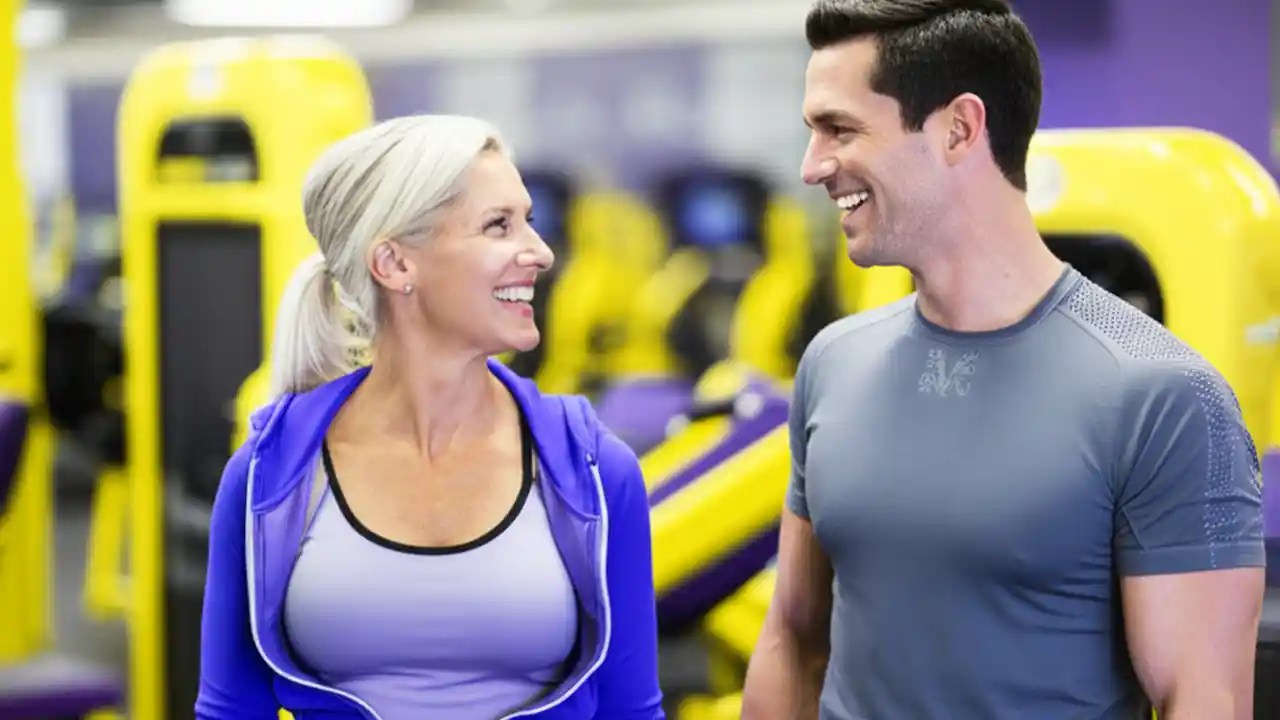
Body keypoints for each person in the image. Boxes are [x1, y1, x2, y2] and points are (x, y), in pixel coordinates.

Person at [741, 1, 1266, 719]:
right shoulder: (834, 362)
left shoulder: (1164, 395)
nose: (812, 167)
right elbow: (794, 639)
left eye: (840, 129)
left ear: (959, 128)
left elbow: (1202, 699)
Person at [195, 115, 665, 720]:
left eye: (530, 221)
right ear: (394, 264)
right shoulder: (270, 477)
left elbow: (632, 713)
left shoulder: (595, 471)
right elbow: (231, 712)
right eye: (499, 226)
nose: (541, 253)